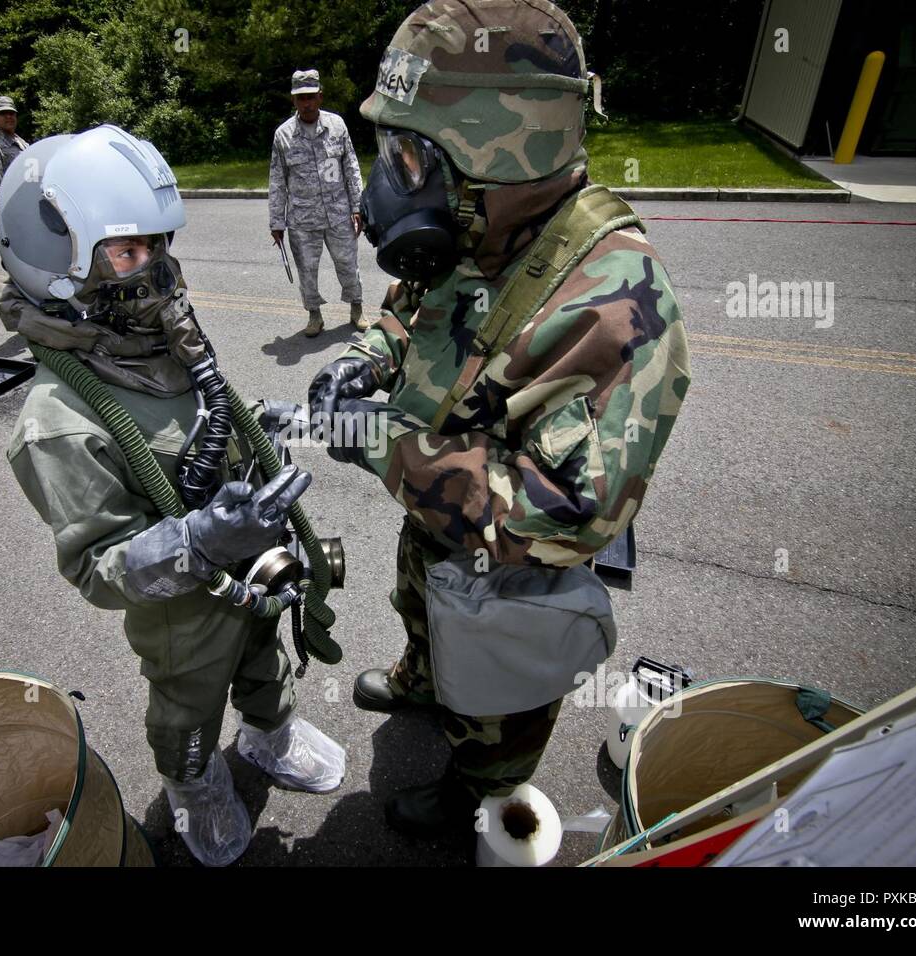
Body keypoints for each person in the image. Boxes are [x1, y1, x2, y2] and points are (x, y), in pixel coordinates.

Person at [308, 0, 692, 836]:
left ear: (493, 147)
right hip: (437, 517)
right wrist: (365, 358)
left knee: (497, 676)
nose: (391, 179)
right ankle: (421, 675)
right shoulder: (478, 223)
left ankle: (478, 785)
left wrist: (378, 442)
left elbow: (559, 516)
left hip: (511, 566)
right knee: (422, 594)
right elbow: (411, 306)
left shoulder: (615, 303)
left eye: (410, 153)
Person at [0, 125, 345, 867]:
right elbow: (97, 568)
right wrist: (195, 542)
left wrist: (257, 437)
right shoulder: (56, 422)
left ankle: (270, 730)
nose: (151, 268)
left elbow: (203, 419)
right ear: (59, 264)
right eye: (127, 252)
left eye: (156, 244)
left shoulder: (152, 336)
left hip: (248, 566)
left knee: (261, 652)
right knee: (187, 705)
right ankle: (193, 785)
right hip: (179, 613)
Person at [268, 69, 366, 337]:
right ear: (294, 101)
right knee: (307, 271)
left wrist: (358, 206)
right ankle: (315, 315)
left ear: (320, 96)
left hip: (338, 213)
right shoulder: (283, 135)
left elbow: (351, 167)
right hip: (302, 219)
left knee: (348, 264)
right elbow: (277, 180)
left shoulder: (337, 126)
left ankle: (356, 309)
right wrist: (276, 221)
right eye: (301, 98)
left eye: (311, 96)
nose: (307, 103)